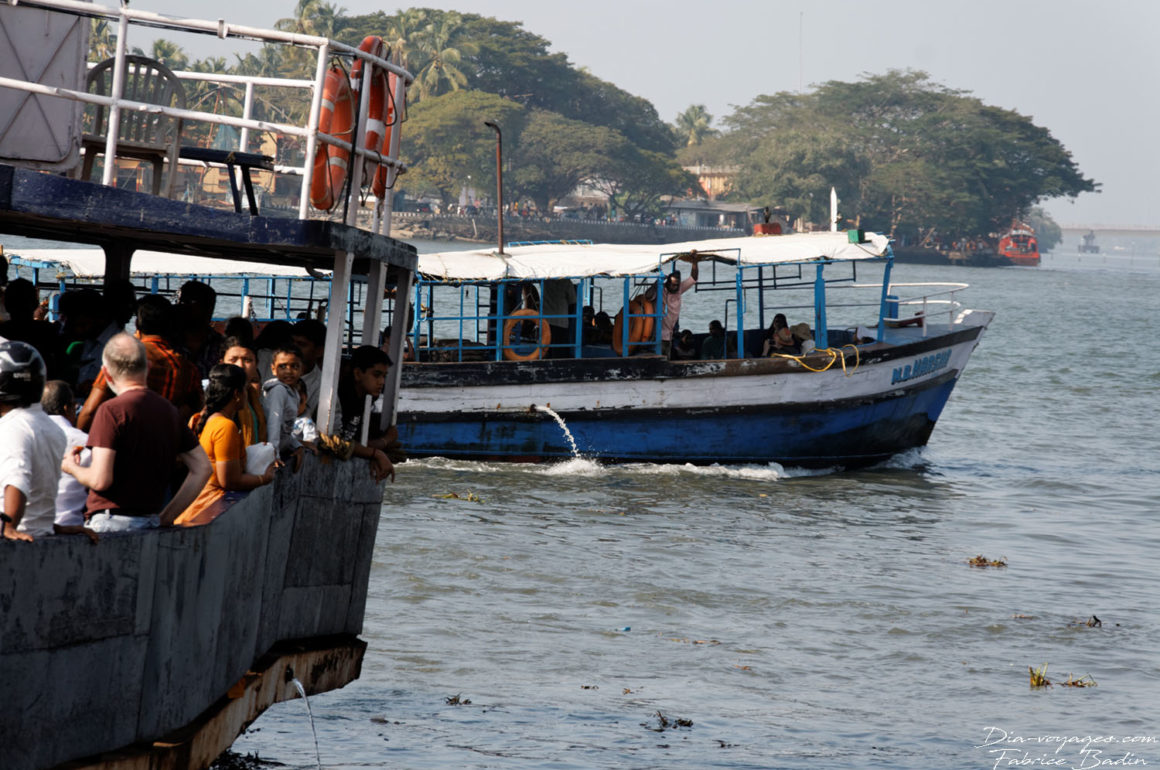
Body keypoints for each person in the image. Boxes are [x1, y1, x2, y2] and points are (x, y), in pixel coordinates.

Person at [61, 333, 212, 531]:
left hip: (111, 522)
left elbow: (100, 479)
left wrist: (72, 467)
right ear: (148, 367)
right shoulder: (169, 411)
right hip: (150, 522)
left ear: (106, 374)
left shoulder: (111, 411)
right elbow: (203, 468)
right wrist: (166, 517)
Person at [77, 294, 203, 431]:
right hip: (165, 446)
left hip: (123, 443)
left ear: (137, 324)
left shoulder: (122, 356)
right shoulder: (188, 368)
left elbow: (90, 411)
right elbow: (197, 409)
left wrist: (78, 440)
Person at [175, 364, 276, 527]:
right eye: (245, 389)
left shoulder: (211, 420)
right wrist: (264, 478)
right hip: (209, 507)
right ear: (237, 394)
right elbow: (229, 481)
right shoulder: (225, 426)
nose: (246, 395)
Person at [0, 342, 66, 542]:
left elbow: (17, 479)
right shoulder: (52, 428)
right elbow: (41, 490)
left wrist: (10, 526)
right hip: (41, 531)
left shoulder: (13, 427)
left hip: (11, 541)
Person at [39, 380, 99, 542]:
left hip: (26, 525)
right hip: (71, 528)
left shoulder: (23, 436)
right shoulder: (84, 442)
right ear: (67, 408)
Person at [333, 345, 396, 482]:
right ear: (357, 374)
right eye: (376, 375)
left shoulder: (362, 399)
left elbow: (355, 439)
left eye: (384, 376)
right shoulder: (342, 398)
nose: (381, 382)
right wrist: (378, 450)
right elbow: (340, 442)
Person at [262, 345, 305, 469]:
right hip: (270, 452)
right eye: (282, 366)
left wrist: (297, 445)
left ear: (302, 369)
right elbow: (274, 424)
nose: (288, 371)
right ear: (273, 369)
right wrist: (273, 454)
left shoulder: (294, 393)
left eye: (294, 366)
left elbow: (285, 429)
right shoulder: (279, 391)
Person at [220, 336, 267, 446]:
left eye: (247, 360)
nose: (240, 365)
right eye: (233, 360)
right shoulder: (216, 398)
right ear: (221, 364)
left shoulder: (252, 396)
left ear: (257, 364)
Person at [176, 280, 225, 379]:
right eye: (181, 302)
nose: (181, 306)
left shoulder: (221, 346)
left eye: (188, 302)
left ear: (209, 309)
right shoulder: (168, 341)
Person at [658, 252, 700, 357]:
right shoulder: (661, 290)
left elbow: (693, 278)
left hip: (669, 334)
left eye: (676, 285)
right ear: (667, 283)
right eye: (672, 285)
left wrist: (694, 261)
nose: (674, 287)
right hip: (659, 335)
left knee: (667, 356)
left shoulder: (679, 289)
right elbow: (649, 295)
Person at [291, 318, 327, 417]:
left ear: (319, 351)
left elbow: (333, 425)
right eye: (292, 342)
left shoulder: (324, 389)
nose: (294, 348)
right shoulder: (271, 367)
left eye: (301, 344)